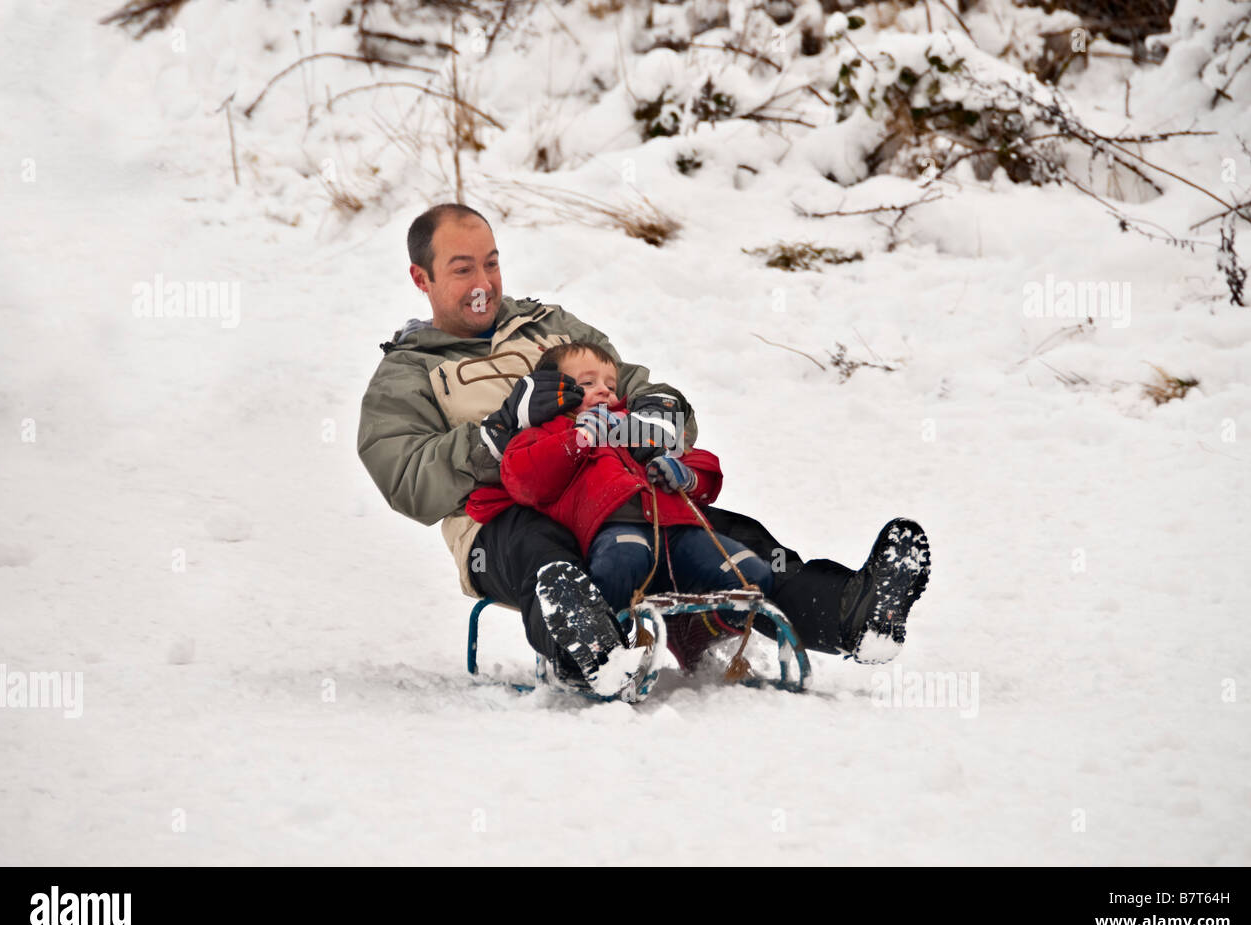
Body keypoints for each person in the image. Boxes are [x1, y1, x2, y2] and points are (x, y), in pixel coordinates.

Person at [357, 202, 931, 700]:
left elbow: (632, 383)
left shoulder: (549, 326)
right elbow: (405, 479)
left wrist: (661, 411)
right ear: (421, 278)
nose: (483, 281)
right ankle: (587, 651)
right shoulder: (408, 373)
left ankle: (850, 615)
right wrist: (501, 429)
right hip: (507, 520)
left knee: (731, 534)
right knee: (545, 554)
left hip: (615, 498)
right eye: (462, 269)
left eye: (491, 262)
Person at [471, 342, 775, 646]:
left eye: (611, 385)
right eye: (588, 383)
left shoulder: (636, 426)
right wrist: (579, 438)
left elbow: (697, 459)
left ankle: (696, 631)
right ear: (556, 392)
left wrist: (689, 476)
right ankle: (602, 645)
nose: (604, 391)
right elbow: (525, 477)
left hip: (676, 534)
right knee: (622, 563)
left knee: (751, 573)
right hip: (615, 532)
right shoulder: (548, 432)